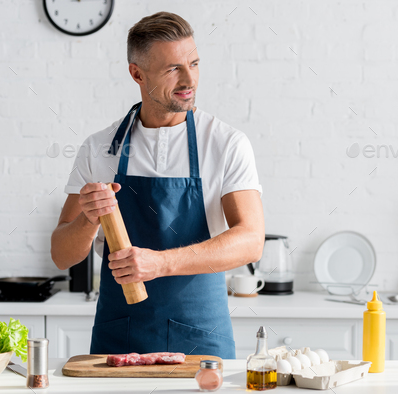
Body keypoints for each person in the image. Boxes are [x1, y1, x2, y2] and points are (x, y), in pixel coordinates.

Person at [50, 12, 264, 359]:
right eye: (172, 69)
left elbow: (251, 241)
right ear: (137, 73)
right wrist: (88, 219)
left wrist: (160, 264)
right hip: (120, 337)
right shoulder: (100, 148)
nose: (188, 79)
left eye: (193, 64)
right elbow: (62, 254)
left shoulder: (226, 143)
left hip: (201, 338)